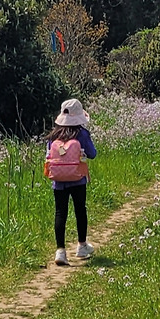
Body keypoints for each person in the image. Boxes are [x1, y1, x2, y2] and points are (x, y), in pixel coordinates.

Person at [45, 98, 97, 266]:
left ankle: (60, 251)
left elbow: (49, 155)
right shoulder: (81, 134)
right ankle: (82, 246)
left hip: (58, 180)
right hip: (77, 179)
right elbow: (92, 154)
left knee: (60, 212)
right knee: (80, 210)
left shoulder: (54, 135)